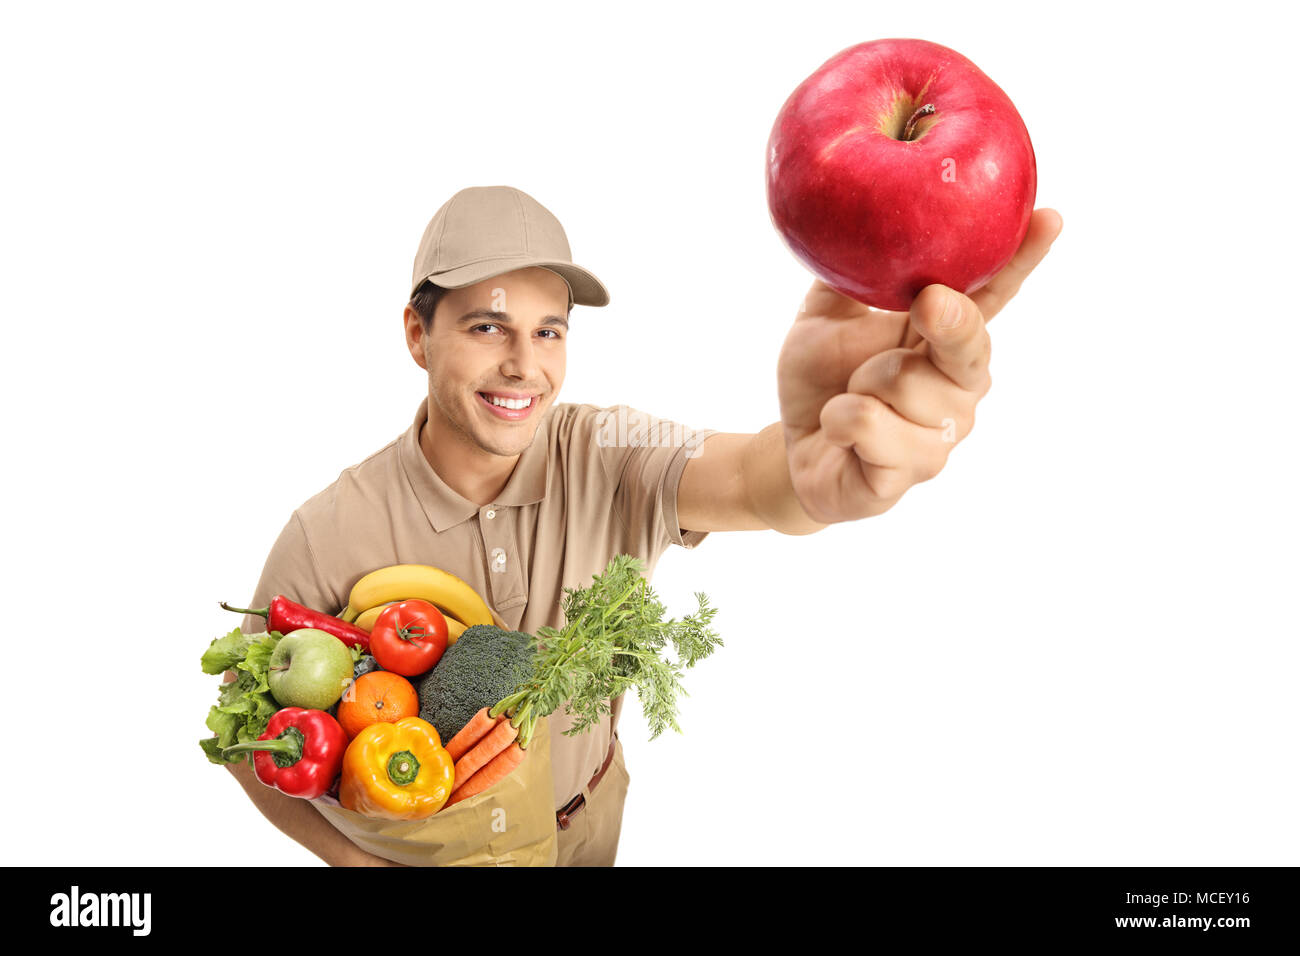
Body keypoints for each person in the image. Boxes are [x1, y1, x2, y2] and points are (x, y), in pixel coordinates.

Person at [225, 184, 1063, 866]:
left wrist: (814, 471)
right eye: (488, 327)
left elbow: (749, 478)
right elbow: (245, 736)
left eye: (548, 331)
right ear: (418, 333)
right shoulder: (329, 531)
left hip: (591, 828)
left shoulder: (607, 447)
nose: (525, 365)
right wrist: (361, 868)